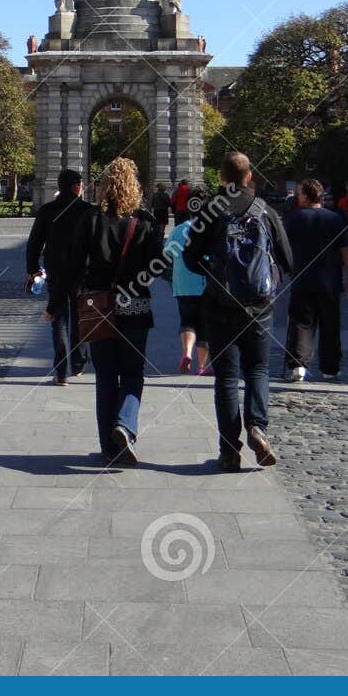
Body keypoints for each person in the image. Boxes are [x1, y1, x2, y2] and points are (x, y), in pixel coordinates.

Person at [186, 153, 295, 472]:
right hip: (259, 305)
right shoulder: (266, 210)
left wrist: (215, 270)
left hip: (220, 304)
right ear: (249, 177)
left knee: (227, 378)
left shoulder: (210, 210)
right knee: (258, 369)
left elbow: (190, 258)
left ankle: (229, 452)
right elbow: (288, 259)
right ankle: (258, 427)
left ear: (222, 178)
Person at [69, 157, 164, 466]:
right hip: (135, 303)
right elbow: (156, 267)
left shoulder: (91, 218)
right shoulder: (147, 221)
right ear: (135, 185)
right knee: (134, 372)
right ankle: (125, 425)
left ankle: (108, 448)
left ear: (104, 185)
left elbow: (76, 262)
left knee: (106, 375)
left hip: (100, 304)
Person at [279, 177, 348, 386]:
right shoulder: (334, 219)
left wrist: (285, 269)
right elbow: (346, 250)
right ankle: (330, 369)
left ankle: (298, 366)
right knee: (330, 325)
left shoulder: (294, 219)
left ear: (305, 195)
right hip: (329, 281)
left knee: (301, 324)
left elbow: (282, 247)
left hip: (302, 279)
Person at [25, 168, 94, 385]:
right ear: (76, 187)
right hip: (82, 273)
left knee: (59, 319)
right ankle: (79, 362)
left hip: (56, 270)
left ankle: (61, 370)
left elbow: (34, 242)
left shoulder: (47, 210)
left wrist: (33, 268)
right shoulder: (88, 211)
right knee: (81, 317)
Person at [164, 184, 209, 375]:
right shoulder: (209, 229)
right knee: (205, 324)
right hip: (205, 283)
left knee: (187, 320)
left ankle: (187, 353)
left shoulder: (179, 229)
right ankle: (201, 366)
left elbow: (167, 253)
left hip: (182, 282)